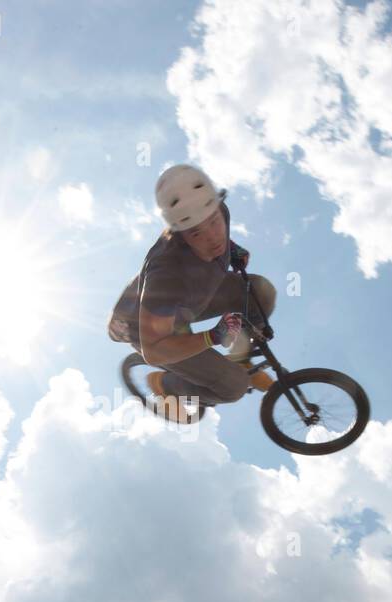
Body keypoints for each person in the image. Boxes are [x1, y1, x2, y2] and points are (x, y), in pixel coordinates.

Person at [107, 164, 278, 420]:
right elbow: (154, 350)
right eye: (196, 233)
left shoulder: (216, 208)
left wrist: (233, 249)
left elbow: (217, 234)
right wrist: (211, 337)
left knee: (260, 292)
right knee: (234, 386)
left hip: (191, 298)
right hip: (148, 328)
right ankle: (166, 385)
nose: (213, 238)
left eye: (214, 223)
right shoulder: (166, 275)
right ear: (180, 234)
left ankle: (241, 357)